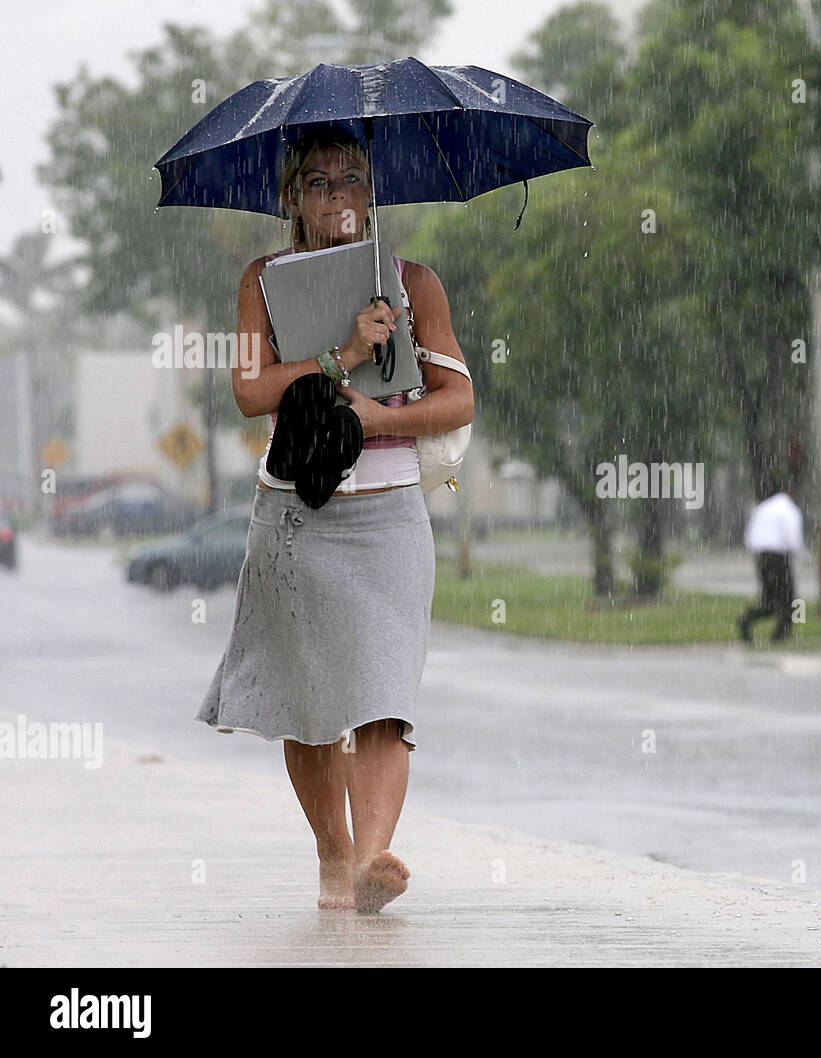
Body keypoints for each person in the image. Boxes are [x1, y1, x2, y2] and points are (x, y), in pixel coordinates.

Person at [196, 128, 474, 912]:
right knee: (309, 703)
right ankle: (333, 856)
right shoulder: (264, 280)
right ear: (292, 199)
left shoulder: (414, 282)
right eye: (318, 182)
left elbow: (459, 399)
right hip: (294, 519)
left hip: (388, 519)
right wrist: (342, 355)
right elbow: (251, 392)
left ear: (372, 194)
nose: (337, 196)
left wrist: (374, 418)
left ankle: (374, 858)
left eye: (352, 179)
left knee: (385, 696)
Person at [738, 482, 809, 643]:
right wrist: (804, 556)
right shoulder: (790, 511)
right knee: (790, 599)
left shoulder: (763, 508)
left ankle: (747, 620)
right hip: (778, 558)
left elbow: (749, 536)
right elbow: (793, 538)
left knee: (769, 600)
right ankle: (780, 635)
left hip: (761, 557)